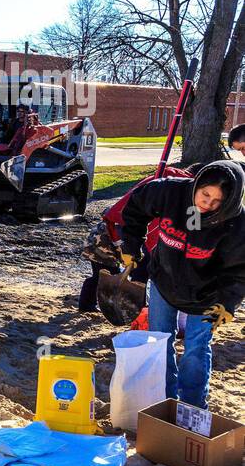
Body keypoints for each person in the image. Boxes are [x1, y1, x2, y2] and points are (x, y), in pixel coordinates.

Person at [120, 161, 245, 409]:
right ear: (197, 185)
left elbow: (239, 270)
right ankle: (165, 401)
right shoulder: (169, 192)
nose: (207, 204)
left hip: (206, 295)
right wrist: (131, 245)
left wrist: (227, 303)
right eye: (205, 194)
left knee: (196, 350)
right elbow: (135, 208)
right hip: (164, 281)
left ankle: (193, 406)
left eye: (217, 201)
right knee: (160, 342)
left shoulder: (237, 224)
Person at [78, 165, 194, 312]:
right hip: (106, 236)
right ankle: (88, 305)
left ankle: (131, 302)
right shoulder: (181, 186)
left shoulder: (164, 182)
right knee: (104, 274)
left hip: (116, 230)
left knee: (134, 271)